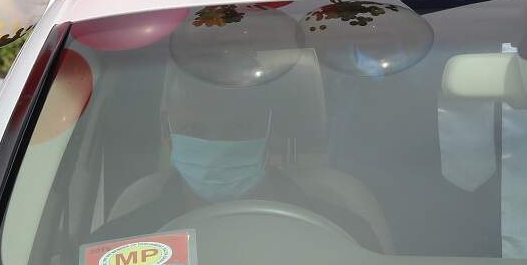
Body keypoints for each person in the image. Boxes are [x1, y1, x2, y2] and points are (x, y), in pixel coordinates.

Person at [95, 76, 383, 252]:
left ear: (269, 133)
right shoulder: (122, 242)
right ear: (166, 131)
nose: (218, 147)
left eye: (238, 129)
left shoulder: (343, 233)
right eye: (195, 130)